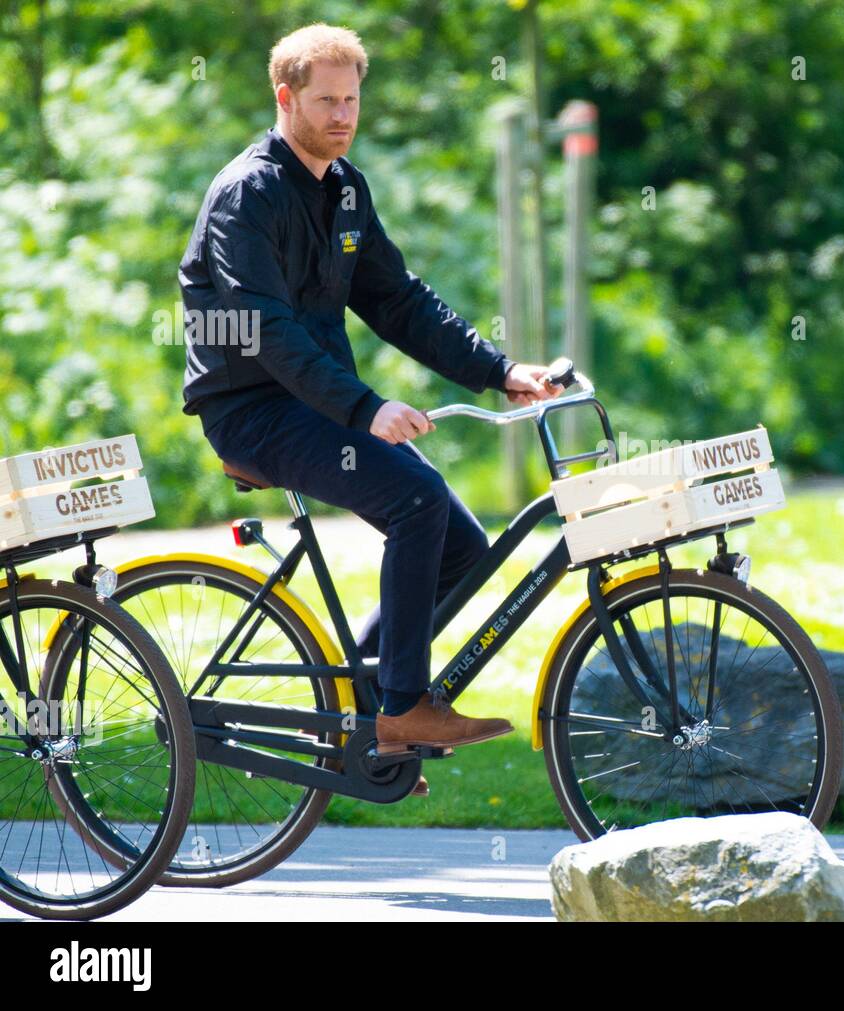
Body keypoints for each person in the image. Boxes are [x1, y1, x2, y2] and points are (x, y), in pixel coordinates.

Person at [178, 22, 560, 765]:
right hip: (251, 410)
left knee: (461, 546)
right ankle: (400, 710)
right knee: (415, 500)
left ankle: (349, 715)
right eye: (325, 101)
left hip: (312, 402)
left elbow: (399, 302)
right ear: (285, 99)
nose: (343, 117)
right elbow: (263, 329)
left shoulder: (347, 190)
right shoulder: (247, 195)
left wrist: (499, 369)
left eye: (352, 100)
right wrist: (365, 408)